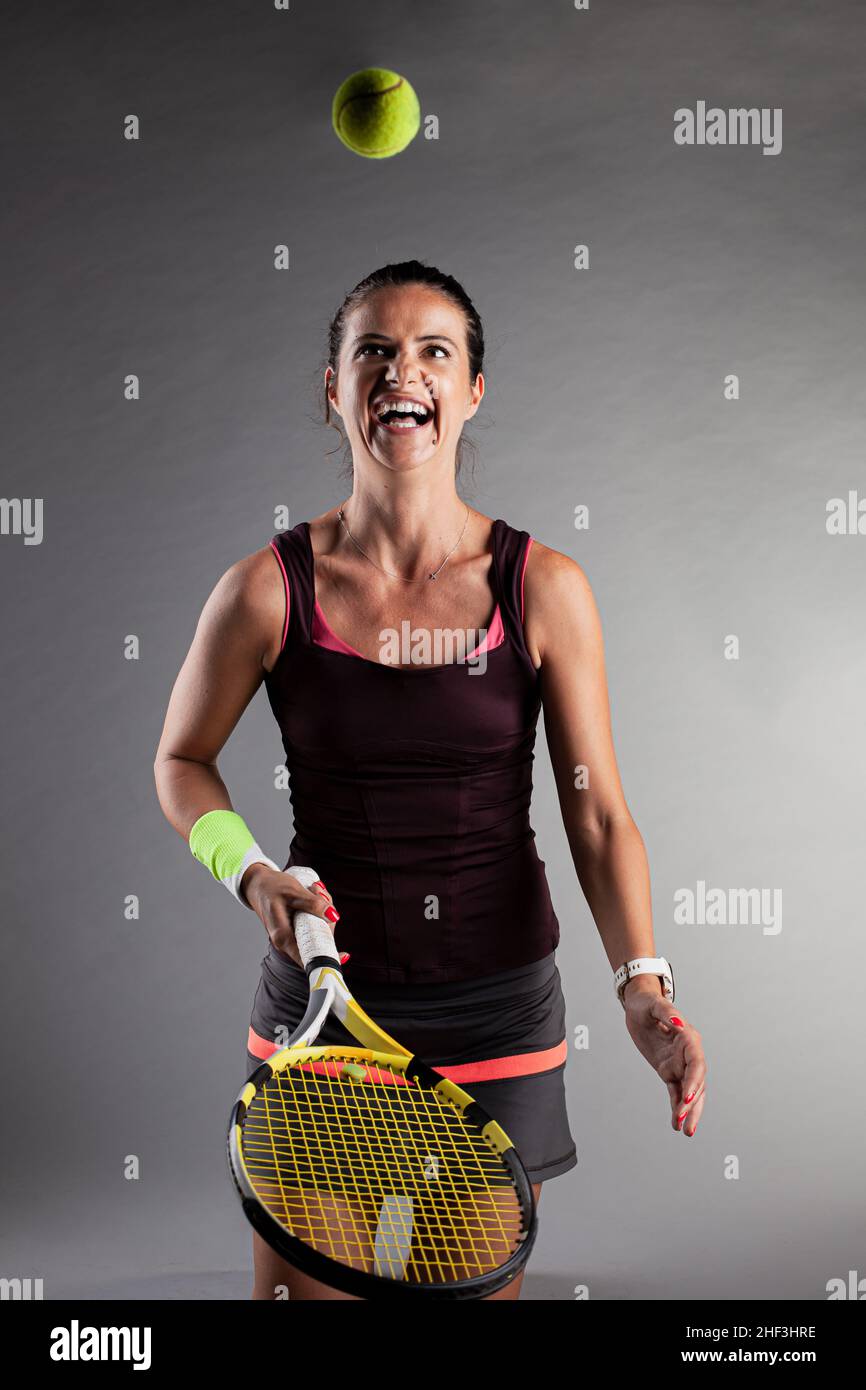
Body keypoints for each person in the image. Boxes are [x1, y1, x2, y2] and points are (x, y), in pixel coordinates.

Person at [154, 259, 707, 1301]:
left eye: (432, 350)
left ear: (470, 389)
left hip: (494, 1014)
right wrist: (251, 872)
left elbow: (593, 810)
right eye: (372, 350)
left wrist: (641, 984)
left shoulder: (542, 586)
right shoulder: (265, 589)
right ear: (334, 386)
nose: (399, 371)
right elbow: (180, 761)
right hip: (322, 1012)